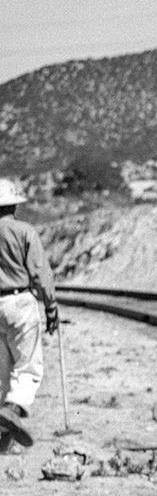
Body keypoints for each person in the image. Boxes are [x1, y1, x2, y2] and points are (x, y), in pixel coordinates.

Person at [0, 178, 58, 450]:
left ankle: (4, 441)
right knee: (27, 367)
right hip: (20, 302)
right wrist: (51, 306)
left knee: (3, 372)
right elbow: (39, 273)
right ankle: (14, 409)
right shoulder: (24, 231)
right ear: (14, 205)